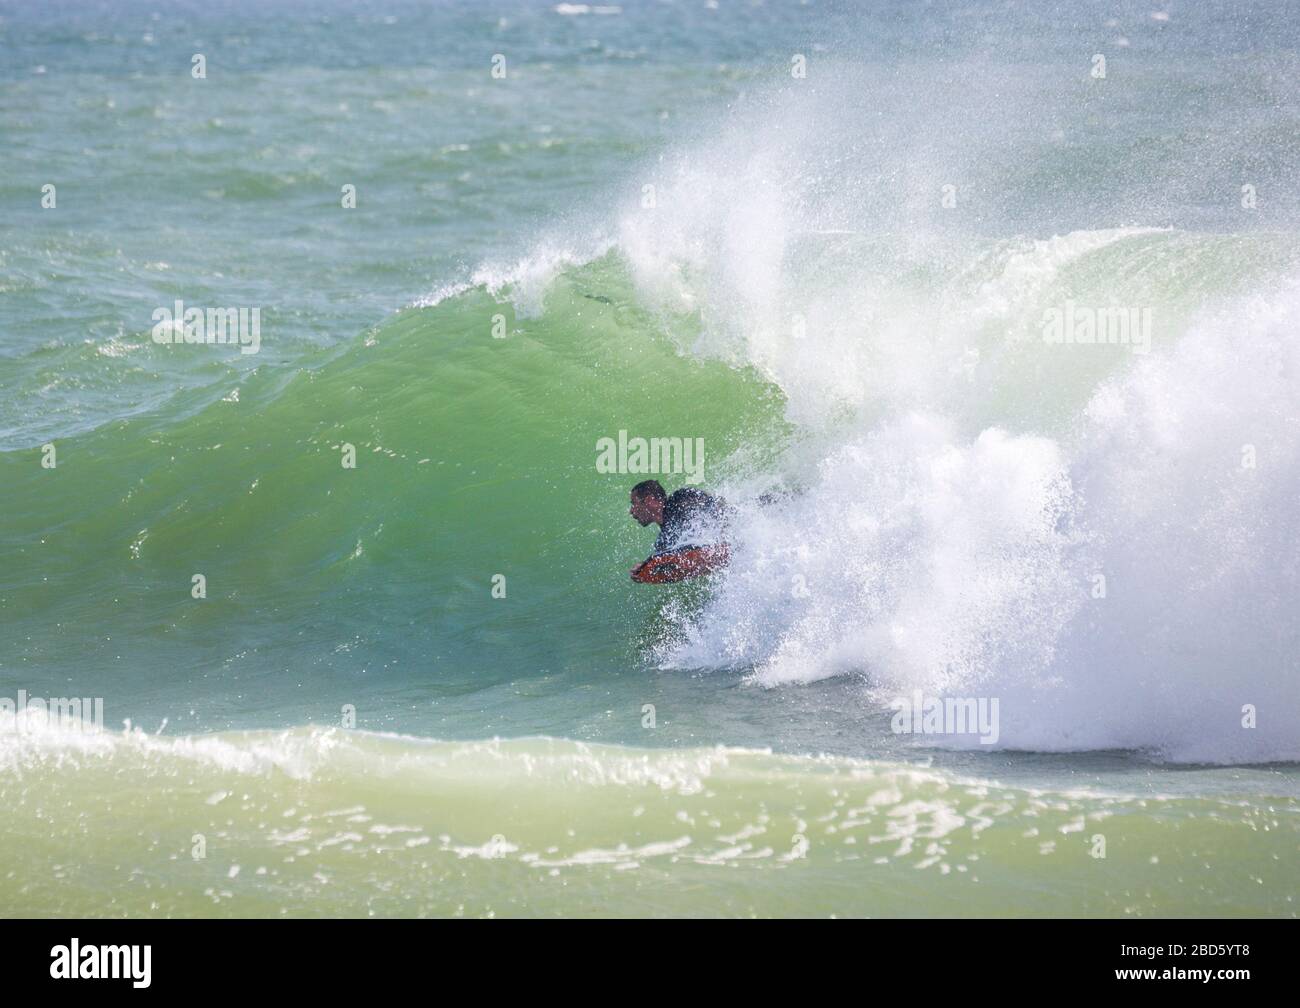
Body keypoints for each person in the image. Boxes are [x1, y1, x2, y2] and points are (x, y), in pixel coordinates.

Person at [628, 480, 730, 577]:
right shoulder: (663, 541)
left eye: (633, 503)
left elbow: (718, 507)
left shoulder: (680, 499)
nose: (631, 511)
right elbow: (672, 565)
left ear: (649, 500)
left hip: (733, 533)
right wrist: (645, 568)